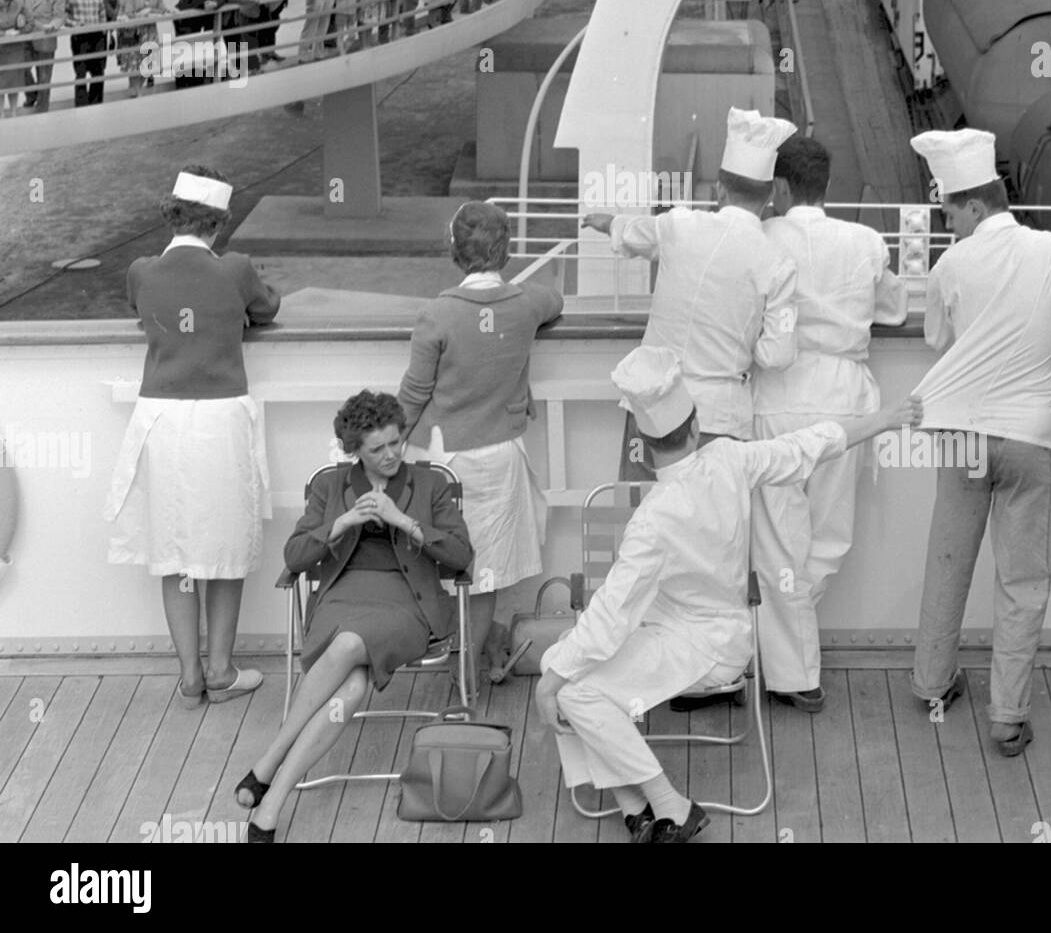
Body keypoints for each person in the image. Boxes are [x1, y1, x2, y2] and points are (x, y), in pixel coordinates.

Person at [537, 346, 922, 842]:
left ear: (640, 441)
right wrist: (883, 418)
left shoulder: (652, 519)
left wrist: (550, 682)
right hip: (723, 636)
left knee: (572, 686)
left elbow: (612, 614)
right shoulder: (729, 458)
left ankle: (670, 805)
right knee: (562, 666)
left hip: (699, 647)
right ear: (696, 426)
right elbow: (807, 445)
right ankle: (636, 808)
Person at [908, 128, 1051, 757]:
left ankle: (933, 683)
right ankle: (1008, 716)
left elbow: (937, 338)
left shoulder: (951, 264)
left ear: (976, 206)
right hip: (1028, 441)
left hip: (961, 434)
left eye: (949, 212)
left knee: (947, 560)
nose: (946, 223)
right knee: (1022, 581)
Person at [234, 390, 470, 843]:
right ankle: (272, 805)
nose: (390, 455)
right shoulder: (330, 486)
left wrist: (403, 521)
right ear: (354, 450)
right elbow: (295, 556)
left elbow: (461, 555)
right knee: (354, 684)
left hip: (408, 602)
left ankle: (268, 761)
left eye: (396, 443)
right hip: (342, 596)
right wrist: (340, 524)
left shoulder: (431, 486)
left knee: (348, 645)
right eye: (376, 448)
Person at [106, 167, 279, 713]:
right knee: (225, 548)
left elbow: (141, 308)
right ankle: (222, 668)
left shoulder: (141, 271)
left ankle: (189, 675)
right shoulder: (236, 269)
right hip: (220, 420)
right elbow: (268, 306)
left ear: (171, 213)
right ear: (220, 222)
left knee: (175, 551)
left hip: (161, 419)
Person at [751, 135, 908, 711]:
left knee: (776, 543)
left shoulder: (761, 236)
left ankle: (786, 668)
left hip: (779, 398)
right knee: (829, 539)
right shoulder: (865, 241)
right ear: (827, 186)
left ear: (780, 187)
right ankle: (790, 666)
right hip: (846, 398)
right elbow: (894, 309)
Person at [397, 202, 563, 672]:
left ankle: (464, 664)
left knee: (458, 566)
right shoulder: (526, 304)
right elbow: (555, 300)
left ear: (453, 252)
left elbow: (413, 393)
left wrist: (382, 449)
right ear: (505, 250)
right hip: (502, 452)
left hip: (447, 458)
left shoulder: (436, 314)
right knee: (486, 573)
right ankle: (476, 661)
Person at [580, 107, 799, 447]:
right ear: (770, 197)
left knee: (650, 499)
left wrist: (608, 222)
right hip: (718, 416)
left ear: (719, 190)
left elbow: (635, 233)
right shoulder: (778, 264)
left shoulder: (678, 225)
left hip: (654, 402)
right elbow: (777, 356)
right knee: (713, 501)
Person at [17, 0, 67, 112]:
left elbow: (60, 16)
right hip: (26, 34)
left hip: (45, 37)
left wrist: (53, 25)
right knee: (20, 68)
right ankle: (31, 94)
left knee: (44, 74)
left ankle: (42, 106)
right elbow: (19, 4)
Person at [66, 0, 109, 108]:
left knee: (98, 70)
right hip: (81, 38)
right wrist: (75, 24)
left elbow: (102, 15)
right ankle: (81, 103)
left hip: (96, 36)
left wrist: (103, 30)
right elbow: (65, 17)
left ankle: (96, 101)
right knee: (81, 71)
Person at [0, 0, 29, 118]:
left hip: (16, 50)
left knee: (13, 82)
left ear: (9, 0)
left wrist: (19, 32)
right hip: (1, 49)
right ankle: (0, 113)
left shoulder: (19, 5)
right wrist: (4, 33)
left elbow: (30, 23)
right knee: (0, 84)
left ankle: (13, 112)